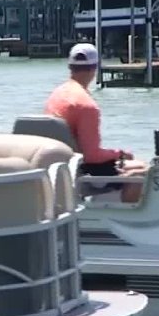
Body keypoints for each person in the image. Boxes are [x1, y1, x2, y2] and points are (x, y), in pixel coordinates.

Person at [45, 43, 147, 203]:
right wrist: (120, 153)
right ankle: (119, 219)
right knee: (141, 174)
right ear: (94, 68)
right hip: (81, 167)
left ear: (70, 67)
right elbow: (92, 156)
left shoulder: (56, 95)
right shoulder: (86, 105)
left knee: (137, 165)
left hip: (59, 162)